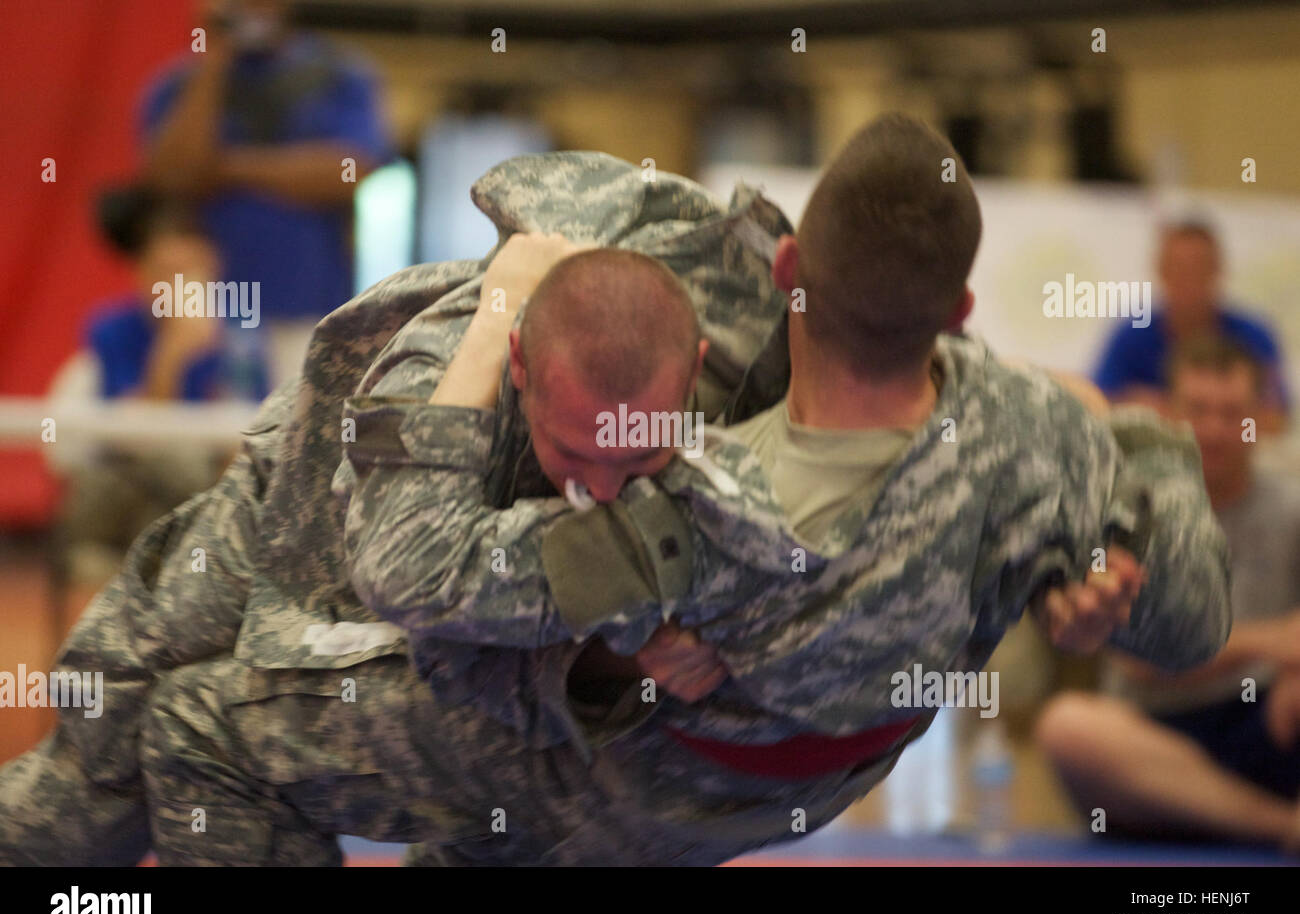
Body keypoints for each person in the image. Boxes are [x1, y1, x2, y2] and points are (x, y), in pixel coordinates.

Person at [138, 118, 1229, 866]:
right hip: (774, 796)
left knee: (197, 724)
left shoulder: (694, 505)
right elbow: (1187, 623)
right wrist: (1149, 456)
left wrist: (489, 328)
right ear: (960, 310)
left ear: (789, 270)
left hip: (606, 789)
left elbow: (419, 564)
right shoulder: (1035, 432)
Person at [1037, 337, 1300, 850]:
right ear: (1170, 414)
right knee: (1068, 727)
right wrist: (1269, 643)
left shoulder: (1291, 510)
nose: (1216, 430)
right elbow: (1141, 659)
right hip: (1151, 730)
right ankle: (1278, 825)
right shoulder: (1129, 509)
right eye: (1199, 411)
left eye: (1233, 414)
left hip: (1265, 723)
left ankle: (1213, 814)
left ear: (1262, 419)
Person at [142, 0, 392, 390]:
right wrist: (213, 63)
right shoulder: (177, 85)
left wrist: (225, 167)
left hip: (310, 311)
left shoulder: (339, 75)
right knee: (207, 442)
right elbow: (174, 176)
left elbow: (349, 169)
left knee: (300, 440)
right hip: (211, 316)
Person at [57, 186, 243, 577]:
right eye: (166, 273)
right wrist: (171, 355)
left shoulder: (240, 337)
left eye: (192, 274)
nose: (179, 288)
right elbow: (134, 435)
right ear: (140, 273)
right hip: (130, 483)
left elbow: (251, 434)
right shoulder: (113, 329)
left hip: (198, 496)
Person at [1091, 220, 1290, 433]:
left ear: (1217, 270)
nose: (1188, 279)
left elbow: (1276, 417)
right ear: (1160, 271)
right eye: (1178, 268)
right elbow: (1094, 404)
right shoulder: (1130, 335)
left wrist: (1170, 414)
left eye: (1199, 267)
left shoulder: (1255, 337)